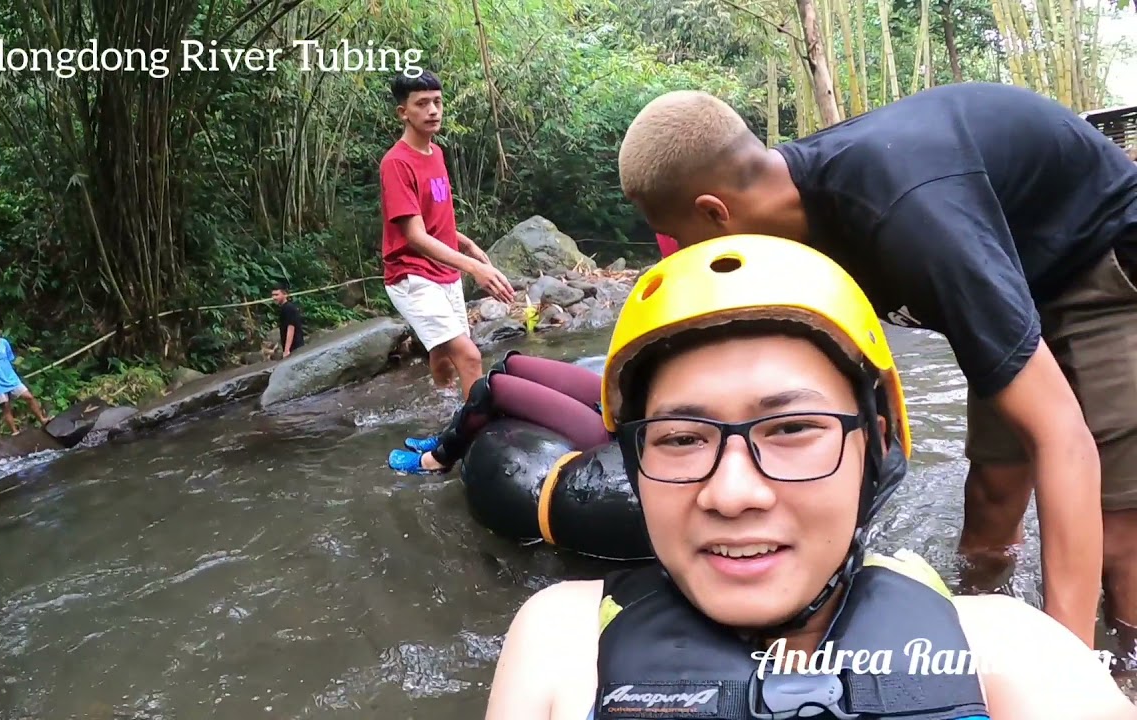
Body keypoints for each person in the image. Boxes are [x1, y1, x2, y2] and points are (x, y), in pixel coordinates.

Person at [484, 235, 1134, 720]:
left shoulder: (1010, 651)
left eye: (792, 430)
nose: (733, 493)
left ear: (875, 447)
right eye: (681, 438)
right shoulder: (562, 642)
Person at [615, 82, 1137, 654]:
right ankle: (975, 631)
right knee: (992, 495)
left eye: (675, 241)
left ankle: (1116, 671)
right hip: (1010, 277)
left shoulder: (906, 212)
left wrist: (1060, 674)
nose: (681, 259)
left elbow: (1063, 438)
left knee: (1119, 537)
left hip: (1102, 265)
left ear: (714, 212)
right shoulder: (802, 218)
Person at [380, 70, 516, 404]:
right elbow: (414, 235)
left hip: (444, 271)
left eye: (437, 102)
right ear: (403, 112)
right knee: (469, 356)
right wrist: (474, 267)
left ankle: (443, 410)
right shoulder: (396, 163)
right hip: (411, 274)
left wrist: (466, 243)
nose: (433, 110)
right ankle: (474, 435)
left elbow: (433, 221)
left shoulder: (436, 154)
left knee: (442, 355)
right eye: (422, 103)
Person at [388, 351, 607, 474]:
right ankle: (446, 438)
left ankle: (436, 461)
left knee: (488, 389)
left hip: (623, 428)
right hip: (621, 398)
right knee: (509, 364)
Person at [0, 321, 48, 434]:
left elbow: (10, 358)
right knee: (6, 406)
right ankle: (14, 431)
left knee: (29, 397)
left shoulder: (4, 343)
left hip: (11, 378)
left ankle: (42, 419)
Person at [270, 282, 305, 357]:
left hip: (295, 347)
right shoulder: (283, 308)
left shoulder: (288, 308)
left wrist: (286, 350)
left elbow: (291, 328)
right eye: (273, 295)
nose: (274, 298)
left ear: (284, 294)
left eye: (277, 295)